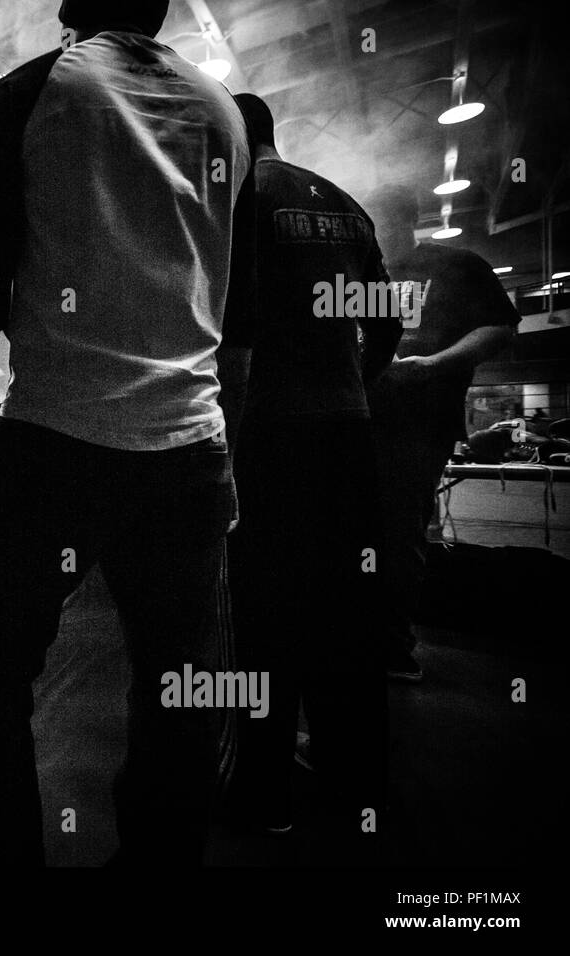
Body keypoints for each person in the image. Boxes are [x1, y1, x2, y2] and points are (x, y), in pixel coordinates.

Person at [0, 0, 255, 866]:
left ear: (76, 4)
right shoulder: (222, 112)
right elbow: (237, 322)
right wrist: (228, 456)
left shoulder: (26, 95)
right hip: (188, 451)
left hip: (54, 443)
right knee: (180, 688)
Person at [222, 93, 400, 853]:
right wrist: (352, 383)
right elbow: (387, 322)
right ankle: (351, 773)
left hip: (271, 437)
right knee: (351, 609)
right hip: (348, 437)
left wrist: (227, 439)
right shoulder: (347, 207)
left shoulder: (240, 201)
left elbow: (234, 329)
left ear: (233, 137)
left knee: (266, 614)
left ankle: (264, 796)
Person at [362, 184, 520, 682]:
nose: (378, 233)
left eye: (384, 221)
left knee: (399, 533)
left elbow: (499, 327)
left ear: (408, 219)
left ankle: (392, 648)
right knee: (354, 533)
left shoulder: (457, 265)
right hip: (359, 421)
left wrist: (432, 365)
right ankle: (355, 637)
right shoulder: (362, 272)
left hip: (420, 423)